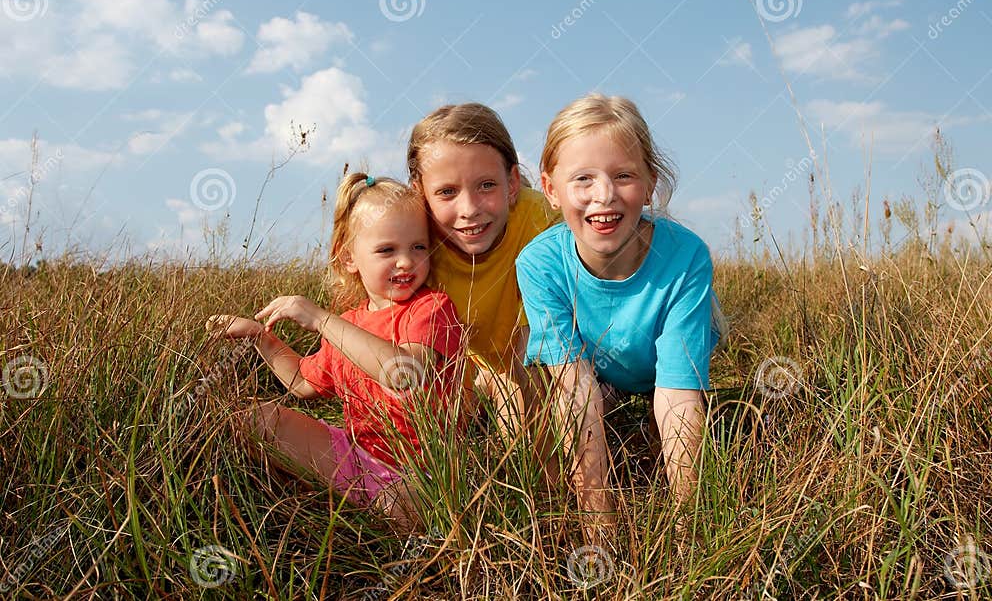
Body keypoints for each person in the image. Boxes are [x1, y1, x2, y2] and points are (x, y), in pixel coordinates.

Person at [515, 94, 727, 545]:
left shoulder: (686, 256)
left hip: (662, 366)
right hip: (596, 370)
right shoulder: (538, 265)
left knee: (666, 416)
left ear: (650, 183)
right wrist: (599, 531)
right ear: (550, 190)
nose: (604, 195)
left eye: (624, 176)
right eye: (583, 179)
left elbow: (679, 399)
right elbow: (574, 392)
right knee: (579, 407)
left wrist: (692, 532)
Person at [206, 174, 465, 531]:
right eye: (387, 250)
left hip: (421, 473)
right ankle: (316, 506)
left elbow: (404, 373)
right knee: (257, 420)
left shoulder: (431, 308)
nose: (406, 261)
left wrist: (319, 319)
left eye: (418, 247)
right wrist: (259, 338)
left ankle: (353, 516)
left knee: (402, 507)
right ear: (349, 258)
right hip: (356, 455)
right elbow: (303, 383)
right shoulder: (348, 324)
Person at [407, 103, 559, 433]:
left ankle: (547, 482)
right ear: (420, 194)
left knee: (525, 376)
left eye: (487, 185)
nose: (469, 209)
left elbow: (542, 336)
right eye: (447, 191)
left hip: (547, 358)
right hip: (466, 369)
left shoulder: (543, 220)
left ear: (513, 182)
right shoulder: (414, 244)